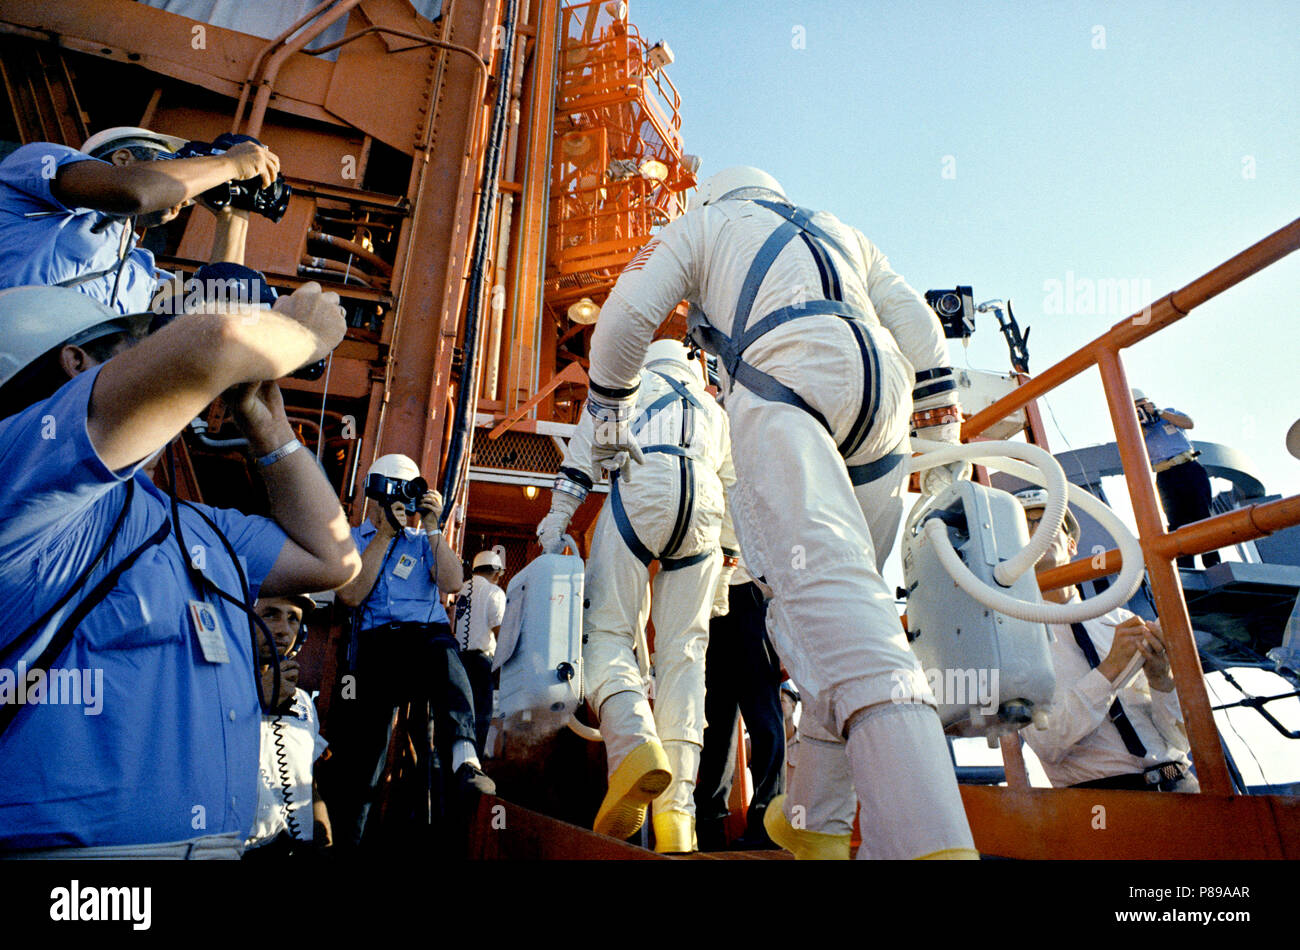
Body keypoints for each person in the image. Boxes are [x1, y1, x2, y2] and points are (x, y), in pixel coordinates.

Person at [580, 165, 975, 859]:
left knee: (828, 599)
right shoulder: (843, 232)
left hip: (784, 379)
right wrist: (942, 440)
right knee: (858, 605)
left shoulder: (700, 225)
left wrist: (610, 426)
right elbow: (918, 326)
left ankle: (929, 840)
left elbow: (624, 319)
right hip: (883, 398)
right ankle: (816, 821)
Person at [0, 281, 360, 856]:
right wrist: (304, 334)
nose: (153, 351)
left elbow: (333, 557)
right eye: (136, 344)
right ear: (75, 361)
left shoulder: (190, 523)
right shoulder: (18, 473)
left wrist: (269, 428)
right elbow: (207, 348)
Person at [536, 338, 735, 853]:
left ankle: (633, 747)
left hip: (643, 491)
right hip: (704, 513)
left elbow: (584, 457)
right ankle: (678, 820)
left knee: (607, 632)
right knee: (685, 657)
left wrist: (557, 520)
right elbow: (736, 488)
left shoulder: (629, 383)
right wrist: (723, 574)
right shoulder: (714, 409)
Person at [332, 454, 494, 848]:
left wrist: (434, 528)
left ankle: (464, 754)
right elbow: (351, 594)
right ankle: (349, 842)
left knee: (445, 656)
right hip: (378, 646)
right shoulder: (354, 540)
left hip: (425, 640)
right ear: (376, 494)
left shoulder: (424, 544)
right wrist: (386, 534)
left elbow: (453, 582)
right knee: (365, 759)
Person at [1016, 489, 1199, 793]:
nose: (1037, 531)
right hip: (1103, 798)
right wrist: (1111, 669)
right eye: (1023, 527)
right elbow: (1048, 742)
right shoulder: (1010, 640)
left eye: (1047, 522)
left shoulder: (1118, 621)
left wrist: (1161, 679)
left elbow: (1180, 740)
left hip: (1180, 783)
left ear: (1072, 544)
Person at [0, 126, 280, 314]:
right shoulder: (39, 161)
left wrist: (233, 215)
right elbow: (135, 192)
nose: (188, 194)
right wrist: (231, 164)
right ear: (124, 159)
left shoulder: (141, 272)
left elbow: (216, 312)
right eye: (174, 166)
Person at [694, 559, 785, 851]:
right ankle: (709, 825)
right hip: (707, 597)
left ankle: (766, 823)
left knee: (764, 722)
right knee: (714, 726)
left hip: (751, 593)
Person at [244, 595, 332, 856]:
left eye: (293, 618)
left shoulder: (303, 700)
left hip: (291, 848)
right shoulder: (217, 692)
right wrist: (257, 700)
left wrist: (324, 840)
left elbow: (308, 781)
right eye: (270, 615)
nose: (284, 630)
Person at [1132, 388, 1220, 569]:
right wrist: (1137, 425)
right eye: (1136, 409)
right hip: (1166, 476)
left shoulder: (1168, 414)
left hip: (1189, 468)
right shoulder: (1135, 430)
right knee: (1176, 521)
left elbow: (1189, 423)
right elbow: (1133, 450)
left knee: (1203, 514)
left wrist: (1160, 413)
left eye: (1143, 406)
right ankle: (1185, 567)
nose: (1142, 412)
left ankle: (1213, 563)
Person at [454, 549, 508, 757]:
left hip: (457, 661)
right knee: (480, 718)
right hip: (481, 662)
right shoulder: (494, 593)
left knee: (460, 715)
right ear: (496, 574)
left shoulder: (459, 589)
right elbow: (499, 631)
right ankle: (473, 763)